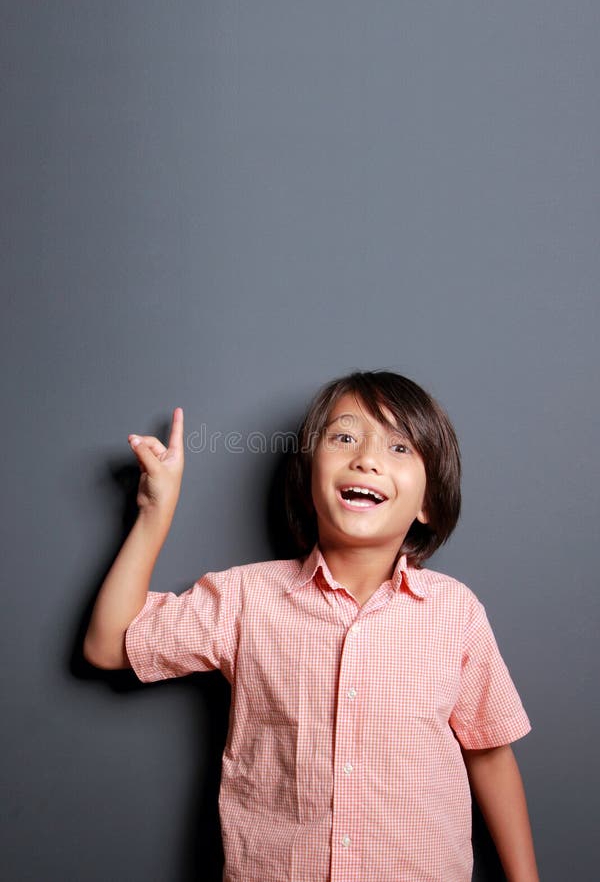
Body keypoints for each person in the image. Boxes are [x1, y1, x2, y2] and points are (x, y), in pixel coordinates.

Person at [83, 370, 539, 882]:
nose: (366, 457)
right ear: (307, 480)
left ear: (429, 504)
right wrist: (154, 511)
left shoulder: (456, 613)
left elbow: (491, 754)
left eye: (399, 447)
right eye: (344, 437)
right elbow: (107, 646)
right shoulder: (245, 599)